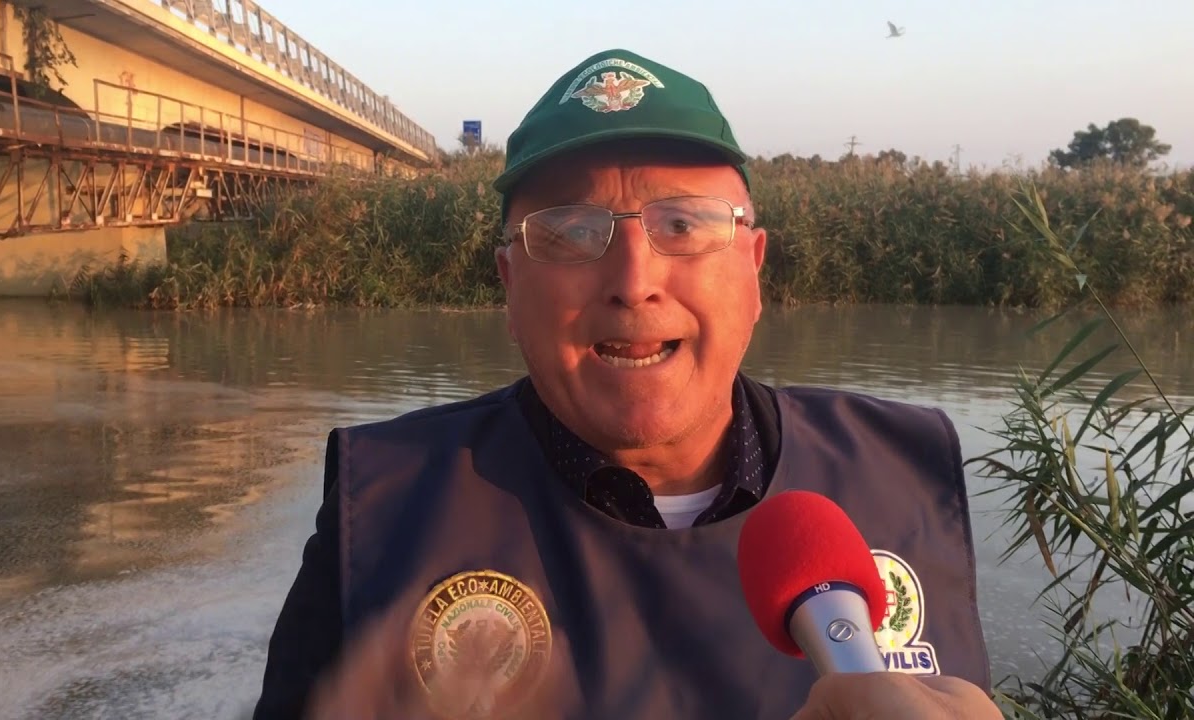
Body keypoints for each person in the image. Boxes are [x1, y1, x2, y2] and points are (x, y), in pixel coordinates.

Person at [252, 48, 1001, 720]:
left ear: (754, 270)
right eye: (571, 233)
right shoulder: (387, 506)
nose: (634, 281)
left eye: (684, 226)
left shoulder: (900, 472)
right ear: (509, 285)